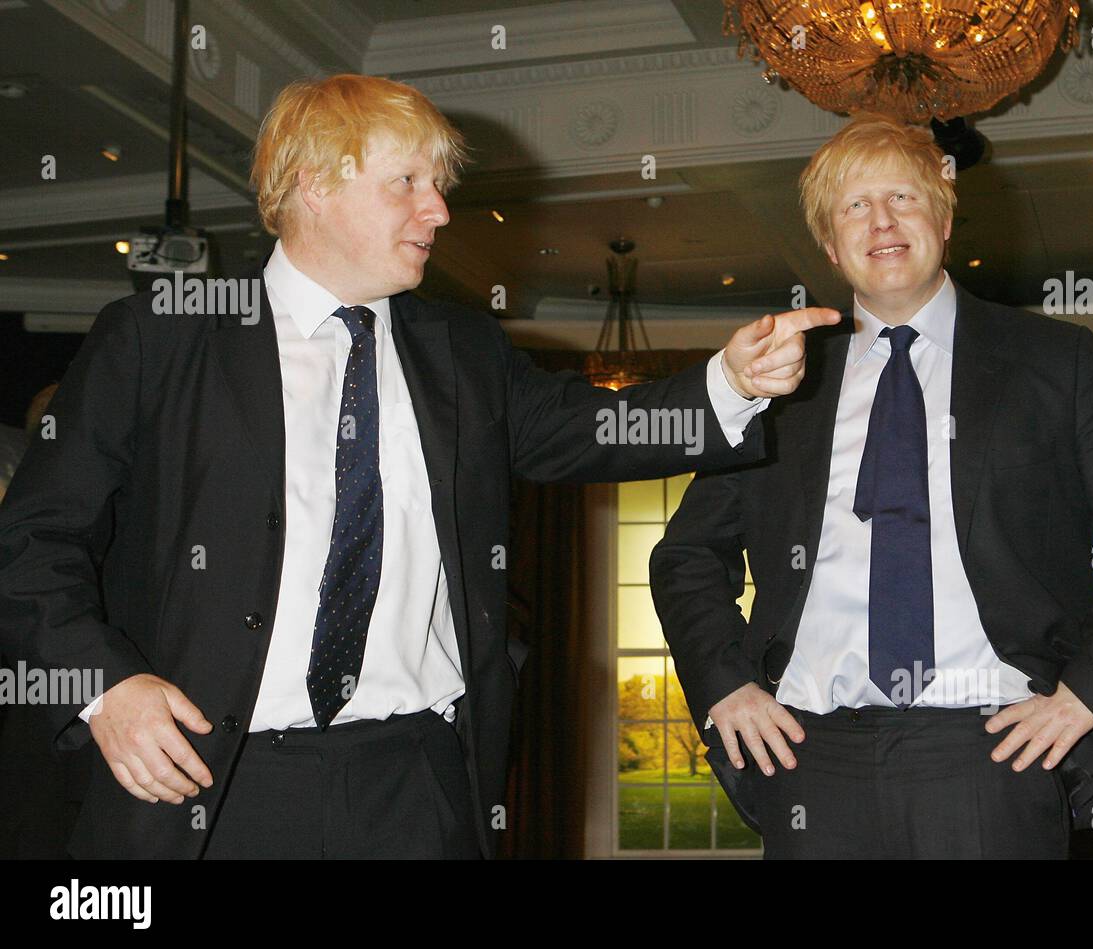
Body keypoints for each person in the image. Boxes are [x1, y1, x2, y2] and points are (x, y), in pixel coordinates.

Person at [0, 73, 838, 859]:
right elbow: (31, 543)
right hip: (208, 785)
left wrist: (728, 383)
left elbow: (590, 428)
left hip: (419, 782)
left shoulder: (461, 351)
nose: (437, 211)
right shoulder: (162, 338)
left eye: (439, 186)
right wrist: (106, 688)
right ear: (312, 183)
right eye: (407, 182)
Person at [649, 113, 1093, 859]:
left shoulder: (1057, 363)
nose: (880, 220)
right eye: (855, 206)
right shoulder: (783, 381)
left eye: (903, 198)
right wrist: (725, 684)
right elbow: (686, 556)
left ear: (944, 219)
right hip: (812, 765)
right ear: (829, 243)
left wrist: (1087, 696)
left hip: (994, 762)